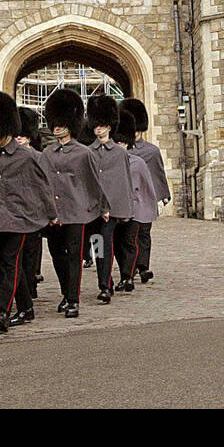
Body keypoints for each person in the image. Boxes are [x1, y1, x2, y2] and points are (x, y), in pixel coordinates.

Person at [0, 91, 57, 331]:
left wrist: (51, 214)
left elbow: (42, 187)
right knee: (6, 264)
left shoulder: (27, 156)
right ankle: (26, 307)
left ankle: (2, 309)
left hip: (21, 221)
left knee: (10, 263)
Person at [41, 89, 105, 318]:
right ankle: (65, 293)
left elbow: (93, 183)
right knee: (57, 255)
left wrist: (102, 208)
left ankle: (73, 300)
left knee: (74, 256)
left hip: (77, 213)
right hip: (54, 213)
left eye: (61, 122)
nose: (56, 126)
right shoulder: (46, 154)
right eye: (54, 122)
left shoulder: (83, 153)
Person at [86, 94, 132, 299]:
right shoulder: (88, 152)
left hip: (112, 209)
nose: (98, 129)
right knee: (98, 247)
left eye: (102, 125)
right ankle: (105, 282)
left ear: (109, 126)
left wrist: (124, 210)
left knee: (107, 243)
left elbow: (124, 182)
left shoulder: (120, 153)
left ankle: (105, 285)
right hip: (94, 209)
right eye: (96, 125)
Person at [120, 98, 171, 282]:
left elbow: (158, 173)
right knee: (128, 236)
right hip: (128, 198)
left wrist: (164, 194)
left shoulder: (151, 151)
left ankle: (143, 267)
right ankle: (130, 268)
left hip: (146, 198)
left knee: (144, 234)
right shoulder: (121, 150)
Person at [113, 110, 156, 291]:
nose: (120, 145)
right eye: (118, 141)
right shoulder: (109, 162)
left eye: (123, 141)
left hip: (136, 209)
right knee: (118, 244)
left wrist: (149, 210)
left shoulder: (138, 162)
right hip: (116, 209)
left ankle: (127, 277)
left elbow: (147, 188)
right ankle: (126, 274)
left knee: (130, 243)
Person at [16, 106, 47, 295]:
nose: (19, 137)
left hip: (33, 211)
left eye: (23, 134)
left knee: (30, 253)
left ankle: (31, 284)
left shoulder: (38, 157)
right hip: (16, 212)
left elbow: (43, 185)